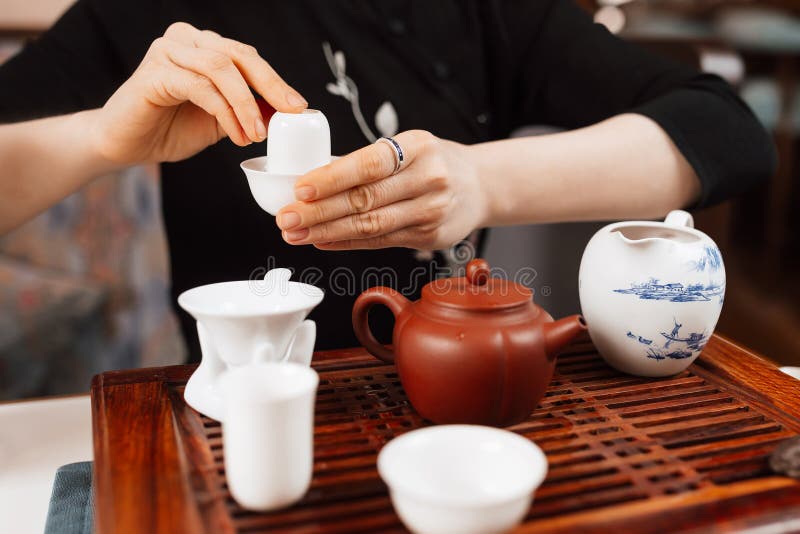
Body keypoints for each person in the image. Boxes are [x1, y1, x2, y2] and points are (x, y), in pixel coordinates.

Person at [0, 1, 775, 360]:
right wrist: (102, 137)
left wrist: (482, 179)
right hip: (239, 398)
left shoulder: (484, 14)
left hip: (446, 384)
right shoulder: (148, 13)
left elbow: (725, 131)